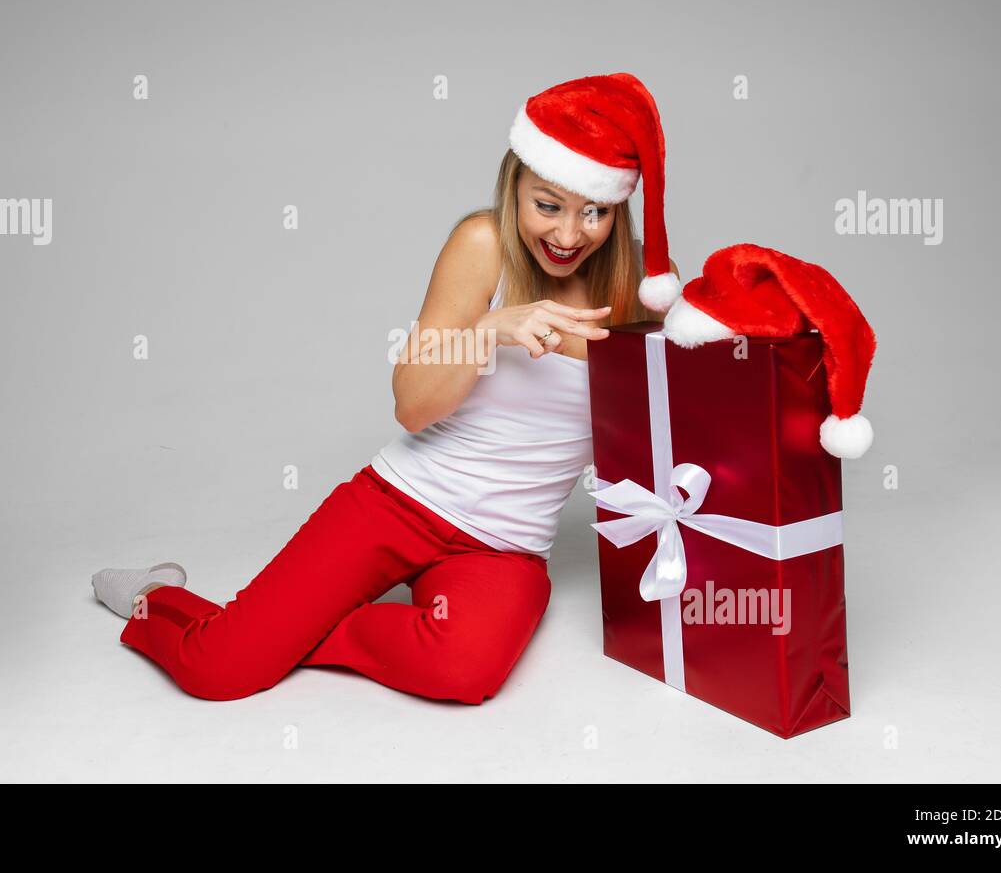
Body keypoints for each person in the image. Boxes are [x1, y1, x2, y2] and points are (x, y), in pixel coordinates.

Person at [91, 72, 681, 704]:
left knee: (464, 671)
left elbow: (688, 408)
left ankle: (285, 630)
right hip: (398, 505)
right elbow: (411, 405)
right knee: (219, 671)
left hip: (504, 548)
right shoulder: (483, 245)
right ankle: (157, 598)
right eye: (548, 205)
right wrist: (487, 331)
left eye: (593, 212)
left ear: (617, 210)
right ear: (515, 187)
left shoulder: (642, 294)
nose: (568, 236)